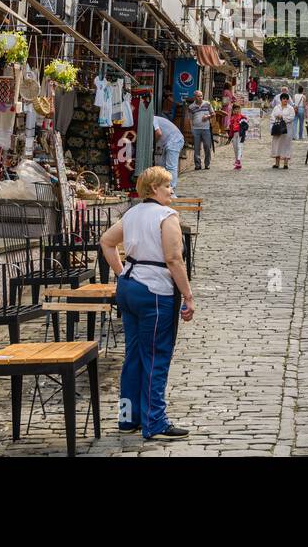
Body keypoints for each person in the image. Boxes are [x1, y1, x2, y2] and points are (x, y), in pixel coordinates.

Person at [100, 166, 195, 441]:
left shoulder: (132, 213)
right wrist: (188, 296)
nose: (172, 190)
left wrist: (122, 272)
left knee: (133, 355)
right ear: (153, 188)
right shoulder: (167, 216)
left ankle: (128, 418)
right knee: (156, 355)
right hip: (154, 290)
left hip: (129, 287)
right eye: (167, 186)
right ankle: (155, 421)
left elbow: (106, 242)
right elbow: (174, 259)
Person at [152, 113, 185, 190]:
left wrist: (153, 145)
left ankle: (171, 190)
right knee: (162, 166)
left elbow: (158, 133)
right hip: (169, 141)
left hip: (175, 140)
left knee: (171, 167)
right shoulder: (153, 118)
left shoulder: (152, 118)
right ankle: (164, 189)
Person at [187, 90, 214, 171]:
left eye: (201, 96)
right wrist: (191, 128)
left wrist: (207, 117)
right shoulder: (191, 107)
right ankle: (198, 165)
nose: (200, 98)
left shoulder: (207, 104)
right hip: (196, 129)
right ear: (195, 97)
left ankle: (207, 164)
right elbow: (190, 119)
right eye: (198, 96)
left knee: (207, 146)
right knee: (196, 148)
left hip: (206, 129)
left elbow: (213, 114)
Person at [270, 92, 296, 169]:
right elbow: (272, 116)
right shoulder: (276, 107)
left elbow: (292, 117)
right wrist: (277, 118)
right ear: (281, 99)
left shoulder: (290, 108)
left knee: (286, 145)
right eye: (283, 99)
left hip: (287, 130)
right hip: (277, 129)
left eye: (286, 99)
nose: (285, 100)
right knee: (277, 145)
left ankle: (285, 163)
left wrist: (283, 118)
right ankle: (277, 163)